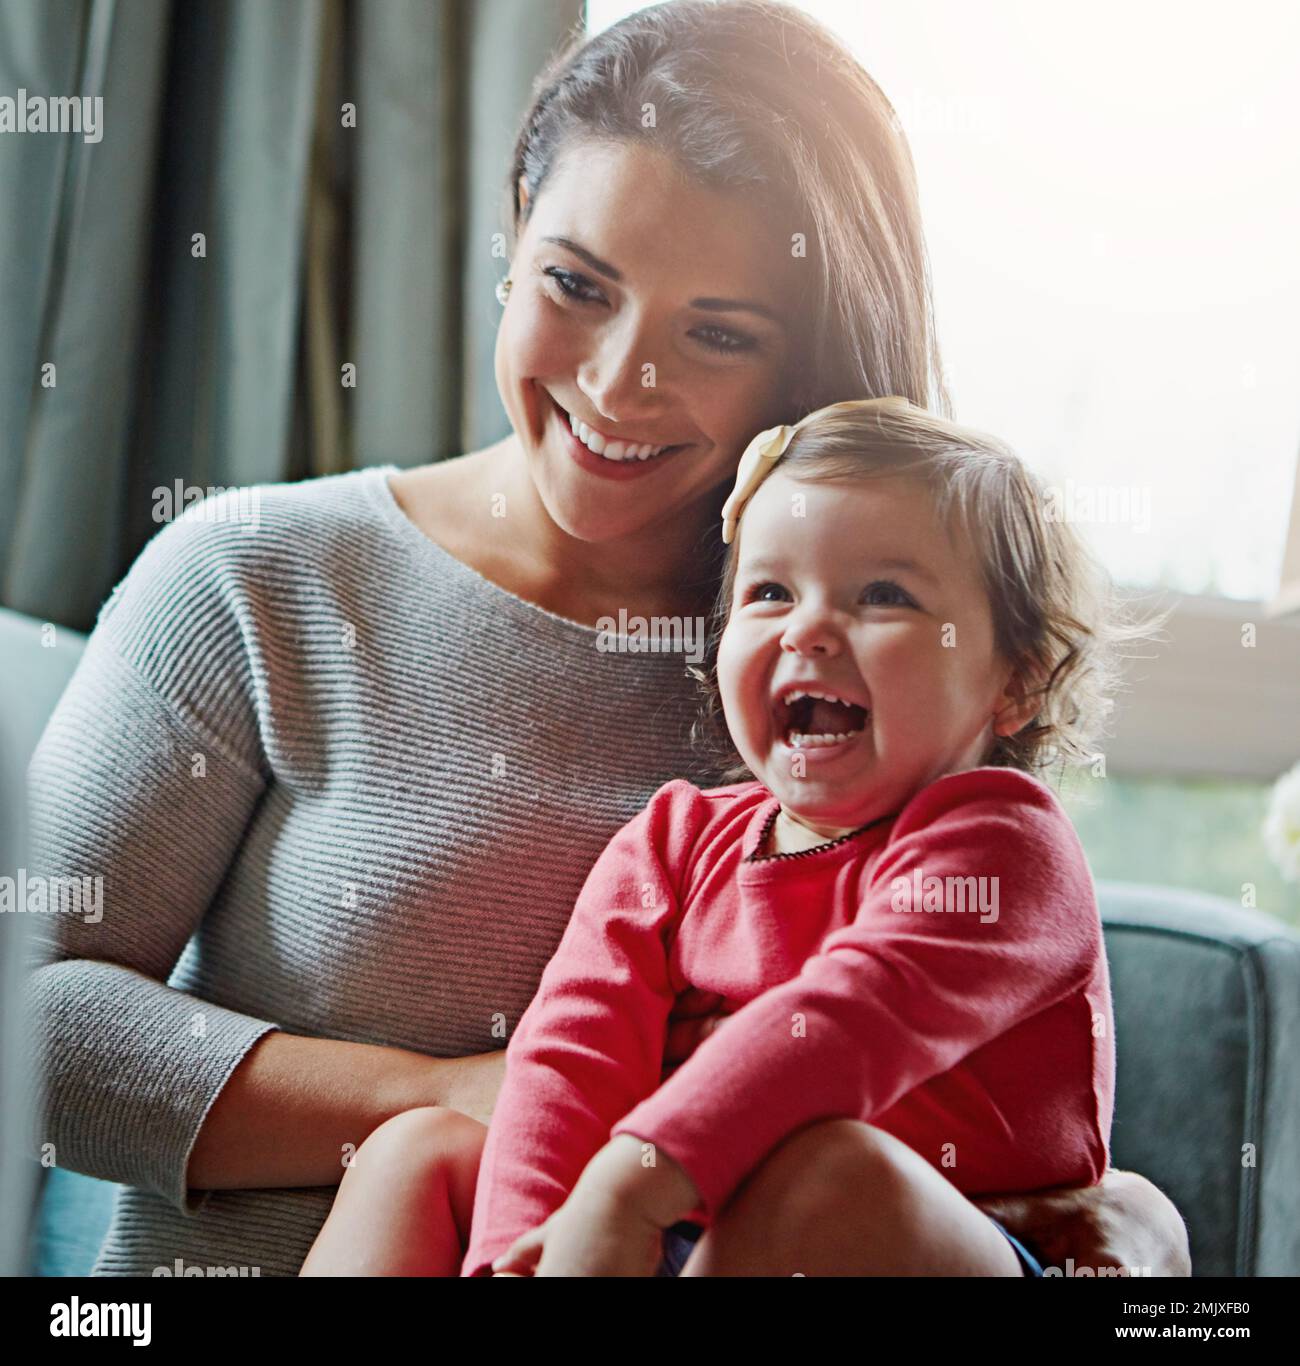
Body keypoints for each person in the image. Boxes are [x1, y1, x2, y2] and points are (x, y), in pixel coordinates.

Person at [25, 0, 1188, 1276]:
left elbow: (958, 1037)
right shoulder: (255, 578)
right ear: (510, 241)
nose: (622, 382)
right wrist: (456, 1097)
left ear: (803, 361)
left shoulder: (845, 664)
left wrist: (1142, 1226)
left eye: (718, 333)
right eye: (577, 283)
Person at [299, 397, 1155, 1277]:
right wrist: (529, 1248)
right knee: (416, 1154)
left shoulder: (1004, 846)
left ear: (1015, 682)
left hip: (938, 1239)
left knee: (830, 1171)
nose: (808, 628)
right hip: (678, 1232)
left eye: (884, 596)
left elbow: (846, 1020)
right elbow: (571, 1055)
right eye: (770, 592)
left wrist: (629, 1187)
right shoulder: (674, 840)